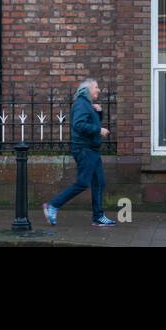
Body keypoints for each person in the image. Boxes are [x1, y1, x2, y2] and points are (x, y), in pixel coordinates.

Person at [43, 77, 116, 228]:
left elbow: (91, 122)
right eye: (96, 87)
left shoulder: (88, 105)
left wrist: (99, 112)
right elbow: (79, 125)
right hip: (84, 149)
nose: (99, 90)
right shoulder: (81, 104)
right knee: (83, 182)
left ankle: (98, 217)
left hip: (92, 150)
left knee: (99, 182)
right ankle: (53, 205)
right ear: (88, 89)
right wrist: (99, 129)